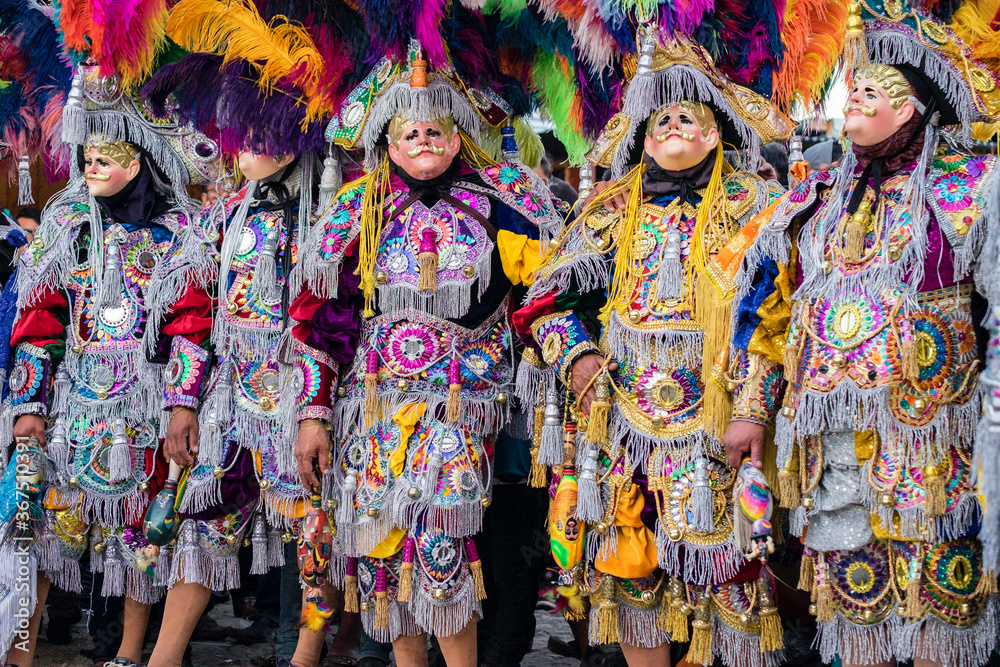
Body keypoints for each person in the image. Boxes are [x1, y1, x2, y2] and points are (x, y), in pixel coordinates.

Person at [736, 2, 1000, 666]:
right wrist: (752, 409)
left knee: (943, 621)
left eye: (870, 90)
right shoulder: (814, 201)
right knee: (861, 624)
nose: (851, 99)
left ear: (910, 108)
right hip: (838, 462)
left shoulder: (969, 191)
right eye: (849, 89)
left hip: (938, 456)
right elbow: (769, 316)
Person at [291, 23, 563, 662]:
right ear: (386, 137)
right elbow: (323, 318)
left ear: (457, 130)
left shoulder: (500, 198)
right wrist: (312, 413)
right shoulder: (358, 207)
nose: (422, 140)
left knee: (443, 550)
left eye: (434, 129)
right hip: (375, 406)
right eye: (407, 132)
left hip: (460, 406)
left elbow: (542, 292)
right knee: (385, 560)